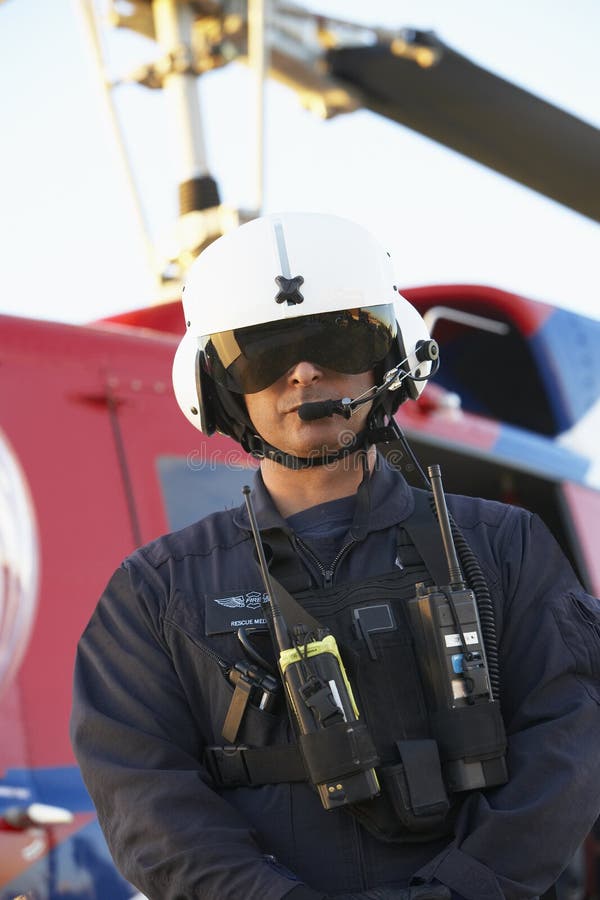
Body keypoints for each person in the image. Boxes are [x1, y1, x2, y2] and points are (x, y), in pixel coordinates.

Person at [70, 212, 600, 900]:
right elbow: (145, 798)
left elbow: (568, 742)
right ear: (219, 387)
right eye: (262, 354)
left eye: (336, 339)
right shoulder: (154, 594)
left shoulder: (504, 545)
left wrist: (460, 891)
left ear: (391, 357)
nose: (303, 372)